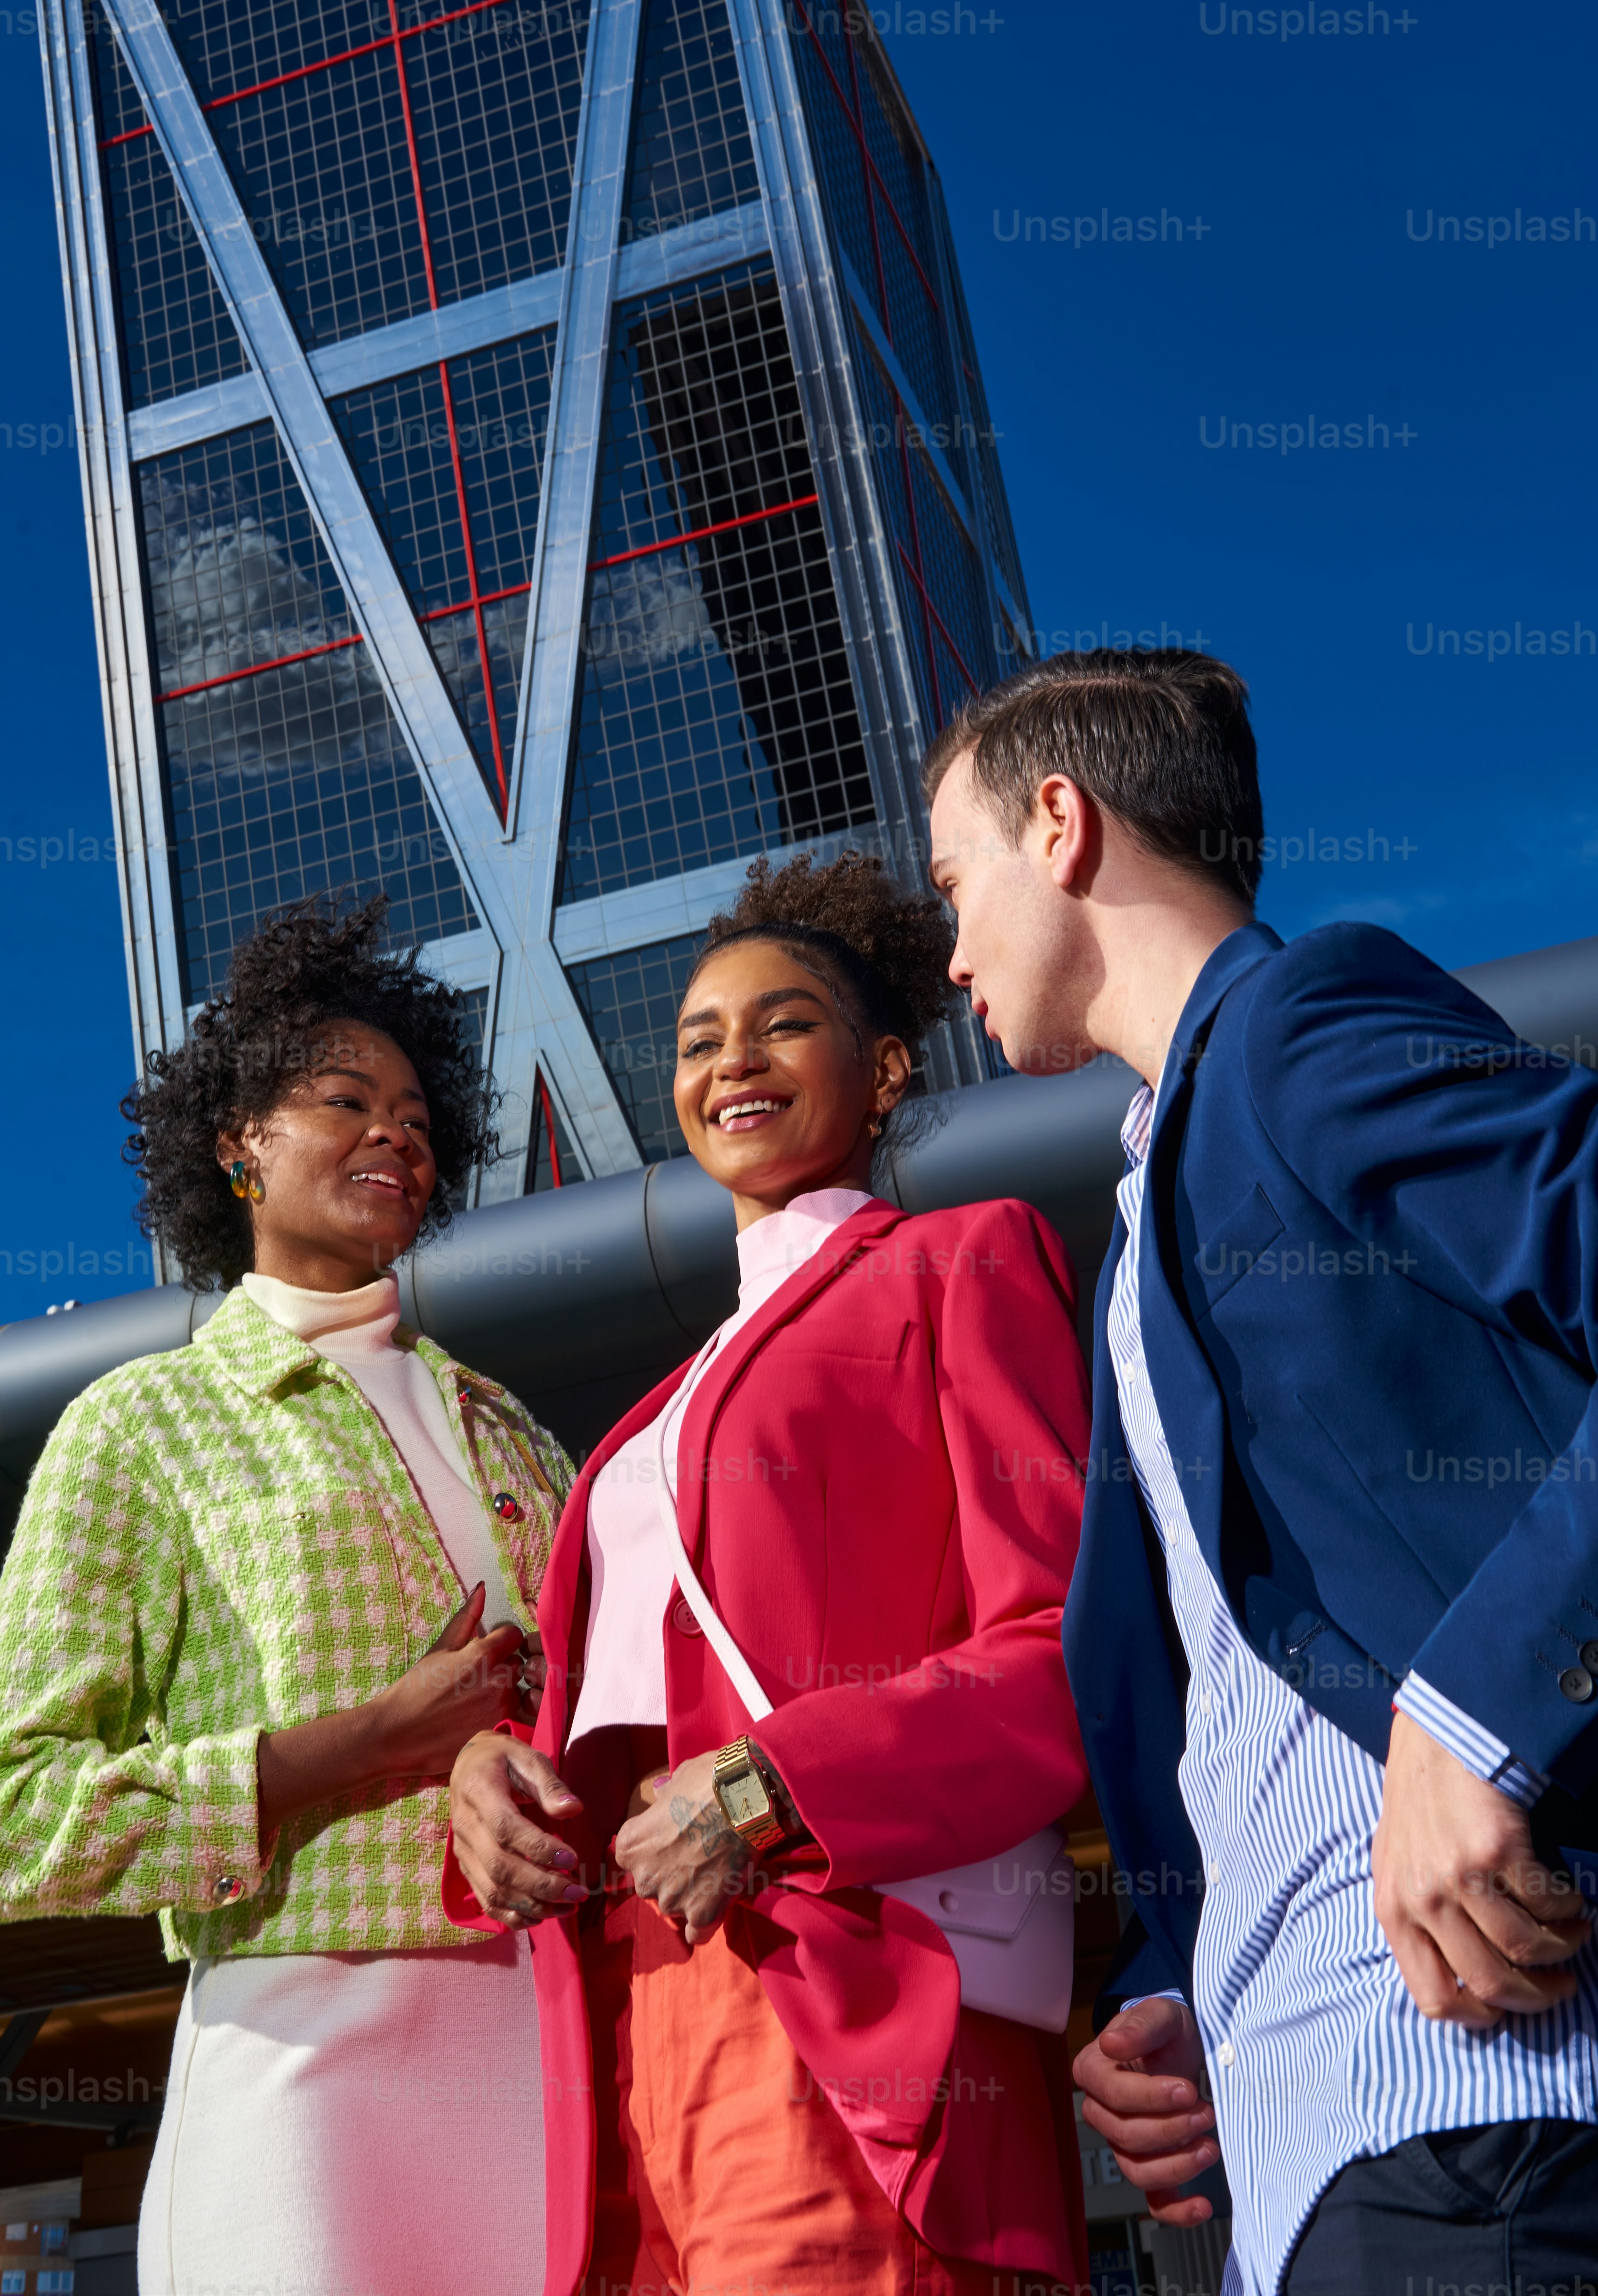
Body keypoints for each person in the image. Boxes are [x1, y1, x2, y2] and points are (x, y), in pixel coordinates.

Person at [921, 648, 1598, 2295]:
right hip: (1326, 2158)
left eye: (955, 878)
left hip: (1511, 2110)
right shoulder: (1150, 1223)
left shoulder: (1298, 1028)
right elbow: (1263, 1659)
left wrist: (1486, 1713)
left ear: (1059, 825)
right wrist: (1181, 1985)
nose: (950, 949)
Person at [442, 852, 1095, 2295]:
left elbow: (1059, 1648)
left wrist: (762, 1789)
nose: (732, 1058)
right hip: (623, 2022)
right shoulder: (645, 1424)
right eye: (696, 1039)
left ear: (886, 1072)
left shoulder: (962, 1265)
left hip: (841, 1994)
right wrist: (490, 1778)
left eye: (785, 1022)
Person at [0, 896, 574, 2296]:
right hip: (308, 2065)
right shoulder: (144, 1425)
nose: (393, 1131)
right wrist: (352, 1750)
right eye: (343, 1099)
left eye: (416, 1113)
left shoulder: (521, 1435)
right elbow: (1, 1827)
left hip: (566, 2042)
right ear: (238, 1145)